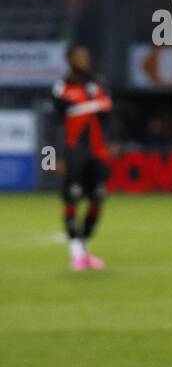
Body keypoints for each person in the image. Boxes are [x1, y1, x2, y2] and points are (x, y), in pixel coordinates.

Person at [52, 44, 113, 272]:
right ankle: (75, 252)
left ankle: (84, 248)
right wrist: (52, 157)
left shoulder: (98, 84)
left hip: (97, 151)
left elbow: (108, 116)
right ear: (69, 60)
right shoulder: (62, 87)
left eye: (86, 56)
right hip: (73, 151)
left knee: (98, 197)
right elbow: (54, 124)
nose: (84, 60)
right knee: (72, 197)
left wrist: (112, 142)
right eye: (79, 56)